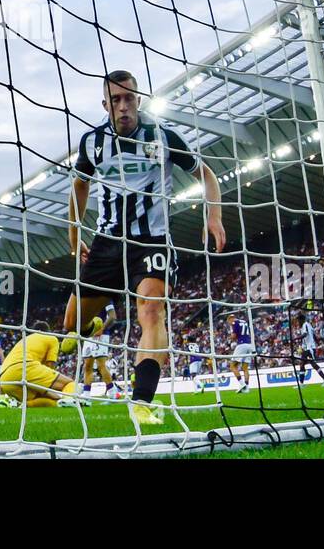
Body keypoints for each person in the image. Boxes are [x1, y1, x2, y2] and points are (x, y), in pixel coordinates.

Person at [64, 70, 226, 427]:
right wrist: (75, 233)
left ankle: (141, 401)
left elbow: (207, 175)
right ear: (105, 105)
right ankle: (92, 324)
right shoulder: (93, 143)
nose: (124, 107)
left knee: (151, 313)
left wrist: (213, 216)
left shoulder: (163, 137)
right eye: (116, 100)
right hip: (108, 244)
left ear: (139, 100)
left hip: (152, 241)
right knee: (71, 325)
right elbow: (78, 186)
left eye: (129, 98)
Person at [0, 332, 85, 408]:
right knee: (69, 383)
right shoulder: (51, 338)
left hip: (5, 381)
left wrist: (55, 396)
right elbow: (50, 365)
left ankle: (21, 405)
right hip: (23, 367)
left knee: (51, 401)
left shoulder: (25, 339)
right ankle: (69, 399)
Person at [294, 312, 324, 383]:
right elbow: (314, 336)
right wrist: (318, 342)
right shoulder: (309, 325)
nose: (298, 322)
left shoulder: (305, 325)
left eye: (298, 320)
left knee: (312, 364)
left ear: (301, 320)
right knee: (302, 364)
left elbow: (305, 334)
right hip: (307, 348)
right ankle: (301, 383)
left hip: (310, 348)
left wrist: (296, 338)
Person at [228, 313, 254, 393]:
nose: (229, 323)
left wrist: (229, 338)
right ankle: (247, 388)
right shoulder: (244, 322)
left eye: (228, 321)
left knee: (232, 366)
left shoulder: (234, 323)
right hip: (249, 345)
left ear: (230, 319)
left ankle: (242, 384)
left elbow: (234, 336)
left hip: (242, 345)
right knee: (245, 368)